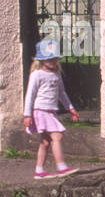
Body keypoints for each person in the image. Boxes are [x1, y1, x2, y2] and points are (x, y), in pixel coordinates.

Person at [22, 39, 80, 179]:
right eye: (48, 59)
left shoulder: (56, 74)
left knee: (45, 142)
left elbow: (61, 92)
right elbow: (30, 94)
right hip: (40, 111)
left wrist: (70, 107)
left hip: (51, 111)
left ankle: (39, 171)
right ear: (41, 60)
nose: (52, 61)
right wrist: (27, 114)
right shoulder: (37, 75)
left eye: (54, 58)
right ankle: (61, 167)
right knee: (57, 136)